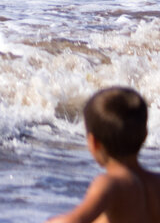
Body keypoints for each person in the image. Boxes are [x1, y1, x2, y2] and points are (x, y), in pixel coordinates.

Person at [46, 87, 160, 223]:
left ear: (94, 142)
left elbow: (75, 220)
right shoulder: (156, 183)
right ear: (145, 136)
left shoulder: (110, 184)